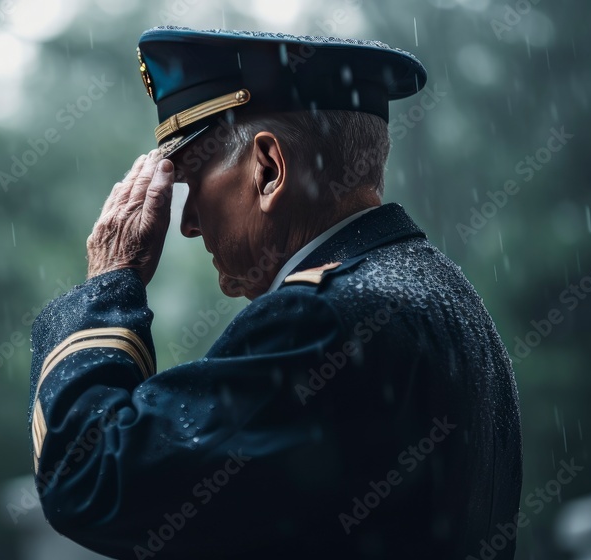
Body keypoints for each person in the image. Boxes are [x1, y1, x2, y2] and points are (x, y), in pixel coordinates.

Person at [27, 26, 522, 559]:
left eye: (192, 183)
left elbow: (92, 474)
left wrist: (109, 283)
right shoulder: (443, 290)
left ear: (268, 170)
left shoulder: (323, 319)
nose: (188, 222)